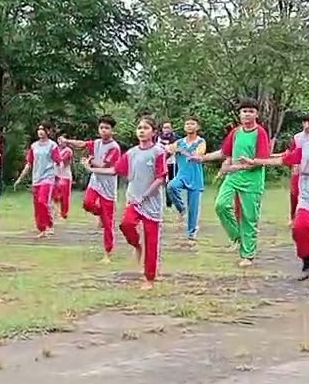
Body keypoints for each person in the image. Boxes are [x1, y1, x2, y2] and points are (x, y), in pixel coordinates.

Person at [245, 107, 309, 305]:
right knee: (299, 227)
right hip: (308, 199)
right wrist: (256, 161)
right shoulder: (307, 147)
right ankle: (307, 257)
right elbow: (285, 159)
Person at [192, 98, 273, 266]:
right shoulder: (236, 132)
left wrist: (246, 164)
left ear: (256, 114)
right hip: (233, 177)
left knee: (249, 217)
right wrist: (202, 158)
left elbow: (263, 159)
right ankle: (236, 235)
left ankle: (247, 254)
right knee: (220, 205)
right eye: (244, 111)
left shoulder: (260, 133)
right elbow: (223, 152)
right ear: (240, 114)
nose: (247, 114)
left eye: (251, 111)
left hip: (253, 180)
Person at [91, 117, 168, 288]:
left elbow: (160, 178)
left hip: (152, 202)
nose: (142, 131)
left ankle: (149, 278)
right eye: (139, 128)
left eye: (146, 128)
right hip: (134, 199)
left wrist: (146, 195)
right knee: (126, 224)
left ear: (153, 132)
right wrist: (93, 169)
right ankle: (136, 245)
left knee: (152, 240)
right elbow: (115, 170)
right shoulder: (131, 153)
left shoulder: (158, 152)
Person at [59, 118, 121, 262]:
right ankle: (100, 213)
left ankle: (107, 253)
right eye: (101, 128)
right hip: (95, 182)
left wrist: (90, 163)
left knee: (108, 223)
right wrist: (67, 141)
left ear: (112, 130)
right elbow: (82, 144)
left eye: (106, 128)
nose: (103, 130)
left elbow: (104, 165)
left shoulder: (114, 147)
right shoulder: (96, 143)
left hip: (108, 186)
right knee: (87, 203)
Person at [14, 124, 61, 238]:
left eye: (43, 129)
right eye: (39, 129)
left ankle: (49, 224)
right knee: (37, 205)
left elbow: (58, 162)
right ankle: (42, 228)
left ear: (48, 131)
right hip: (36, 178)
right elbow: (29, 163)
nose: (40, 132)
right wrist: (20, 178)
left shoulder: (52, 145)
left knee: (42, 201)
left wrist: (57, 177)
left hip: (48, 177)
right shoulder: (34, 146)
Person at [165, 117, 207, 240]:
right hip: (182, 175)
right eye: (187, 124)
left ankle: (191, 234)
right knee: (171, 186)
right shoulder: (179, 142)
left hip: (195, 176)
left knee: (193, 207)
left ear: (197, 127)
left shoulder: (201, 141)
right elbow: (168, 148)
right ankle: (181, 208)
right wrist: (171, 149)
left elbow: (200, 153)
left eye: (192, 124)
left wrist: (182, 151)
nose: (189, 126)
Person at [286, 116, 309, 224]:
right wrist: (293, 165)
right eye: (305, 122)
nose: (307, 125)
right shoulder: (297, 137)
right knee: (294, 193)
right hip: (298, 169)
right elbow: (292, 152)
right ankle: (293, 216)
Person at [53, 132, 74, 221]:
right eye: (59, 140)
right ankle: (55, 212)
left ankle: (64, 214)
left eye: (62, 140)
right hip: (55, 174)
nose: (60, 142)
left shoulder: (68, 150)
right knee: (55, 195)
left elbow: (62, 160)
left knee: (64, 197)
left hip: (65, 175)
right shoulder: (55, 149)